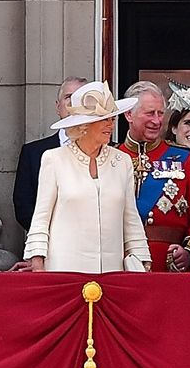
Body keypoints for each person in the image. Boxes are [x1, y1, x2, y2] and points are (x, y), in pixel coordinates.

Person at [22, 81, 149, 273]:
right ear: (84, 125)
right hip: (63, 270)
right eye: (104, 119)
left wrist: (142, 260)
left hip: (111, 272)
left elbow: (130, 219)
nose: (111, 125)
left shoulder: (122, 161)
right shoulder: (54, 159)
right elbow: (41, 218)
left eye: (112, 119)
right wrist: (37, 262)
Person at [115, 80, 190, 272]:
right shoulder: (111, 157)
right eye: (150, 113)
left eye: (160, 113)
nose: (157, 121)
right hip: (118, 262)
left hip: (168, 266)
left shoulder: (185, 158)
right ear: (128, 114)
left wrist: (189, 252)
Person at [13, 76, 86, 231]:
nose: (74, 103)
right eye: (68, 97)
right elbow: (24, 208)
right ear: (57, 106)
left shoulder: (108, 151)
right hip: (48, 245)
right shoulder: (33, 153)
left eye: (80, 97)